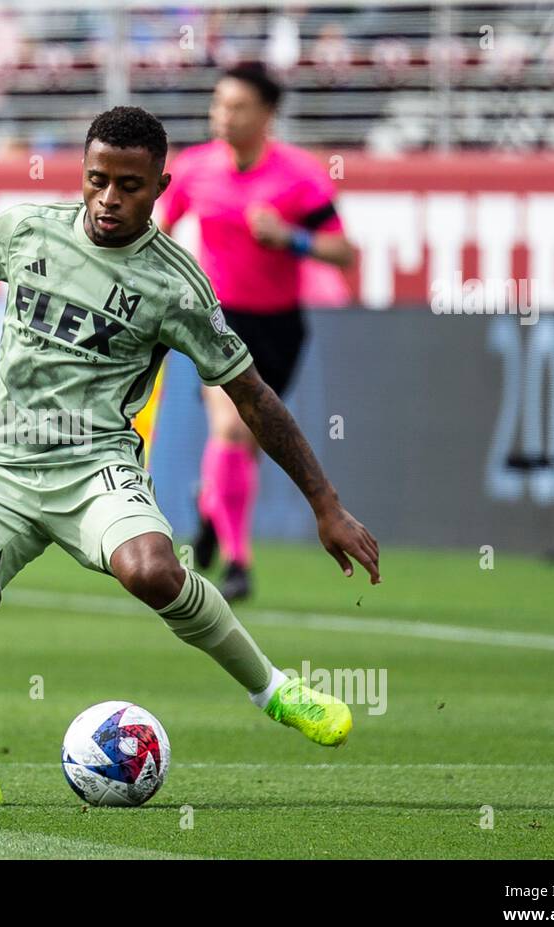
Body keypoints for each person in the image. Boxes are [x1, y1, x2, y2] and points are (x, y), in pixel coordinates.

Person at [0, 105, 379, 808]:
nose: (109, 198)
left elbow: (253, 395)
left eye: (129, 186)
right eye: (97, 180)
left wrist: (326, 504)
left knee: (152, 570)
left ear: (161, 186)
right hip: (5, 461)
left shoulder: (175, 284)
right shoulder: (28, 230)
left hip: (95, 468)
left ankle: (276, 689)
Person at [158, 63, 357, 602]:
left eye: (238, 106)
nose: (224, 115)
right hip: (218, 321)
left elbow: (344, 252)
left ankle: (208, 513)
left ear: (267, 114)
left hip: (280, 327)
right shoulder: (194, 169)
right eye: (218, 104)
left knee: (245, 446)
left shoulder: (300, 176)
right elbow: (159, 234)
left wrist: (290, 239)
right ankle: (240, 563)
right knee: (233, 431)